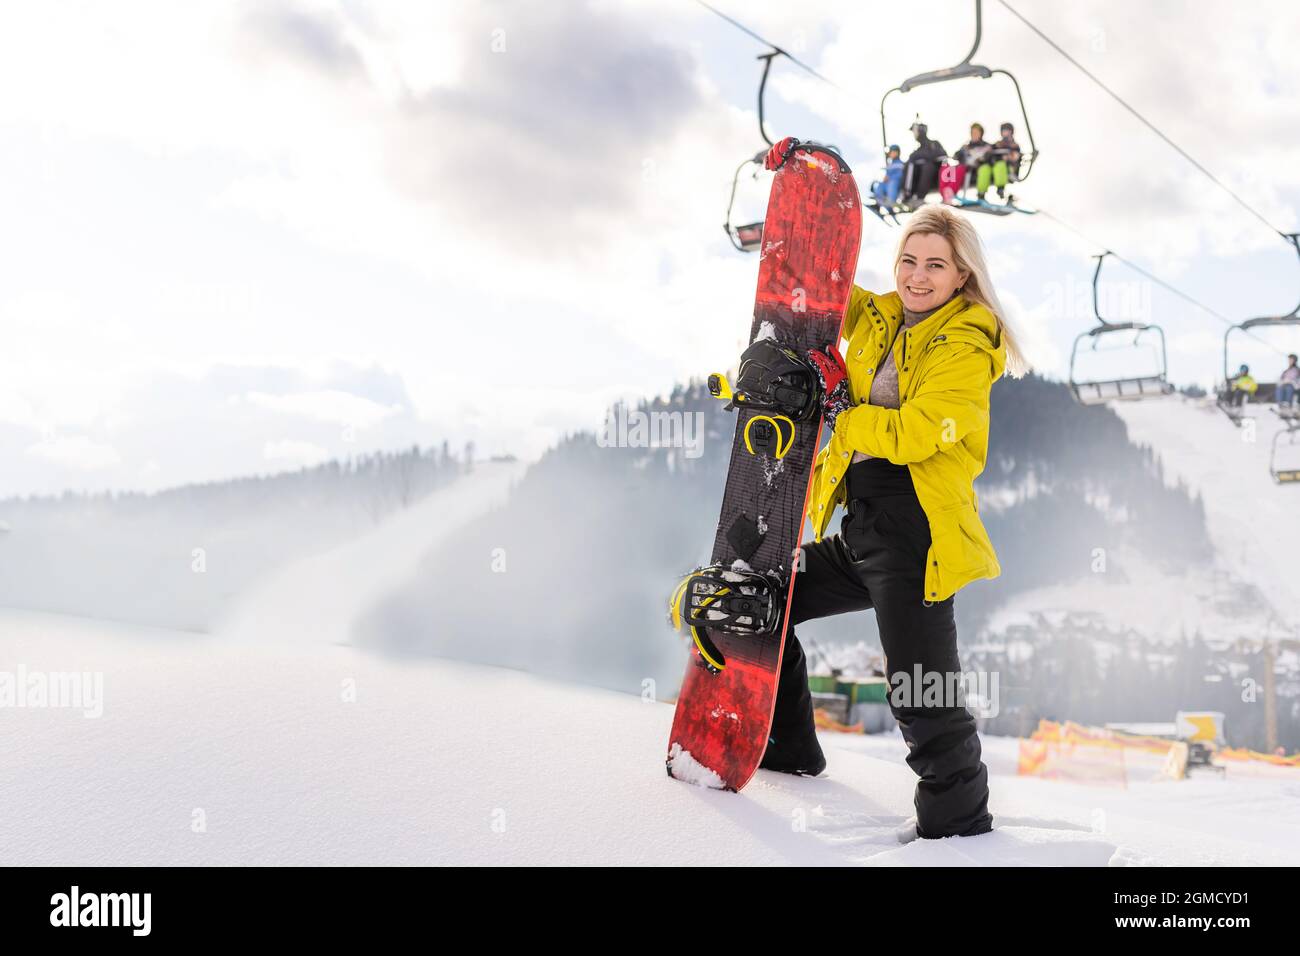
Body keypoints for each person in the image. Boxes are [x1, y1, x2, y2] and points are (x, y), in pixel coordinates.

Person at [758, 158, 1033, 840]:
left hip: (916, 535)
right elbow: (824, 291)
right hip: (864, 528)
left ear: (963, 275)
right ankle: (789, 747)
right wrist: (802, 208)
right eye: (908, 260)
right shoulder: (884, 318)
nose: (916, 275)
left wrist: (843, 419)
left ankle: (961, 829)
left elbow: (916, 433)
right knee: (770, 599)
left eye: (936, 265)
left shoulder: (967, 344)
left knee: (921, 698)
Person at [900, 122, 946, 208]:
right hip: (919, 179)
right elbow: (912, 160)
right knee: (909, 164)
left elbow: (943, 155)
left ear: (921, 131)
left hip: (936, 176)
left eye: (915, 132)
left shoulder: (934, 144)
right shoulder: (916, 151)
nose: (914, 135)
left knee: (927, 166)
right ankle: (907, 194)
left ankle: (917, 197)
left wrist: (926, 156)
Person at [951, 123, 993, 201]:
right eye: (972, 132)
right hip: (965, 167)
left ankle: (981, 194)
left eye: (976, 132)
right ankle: (950, 194)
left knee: (985, 169)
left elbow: (988, 158)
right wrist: (961, 152)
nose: (974, 134)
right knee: (955, 169)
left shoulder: (986, 146)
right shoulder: (966, 146)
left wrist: (980, 157)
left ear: (981, 134)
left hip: (979, 167)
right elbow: (955, 156)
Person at [984, 122, 1022, 200]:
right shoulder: (998, 144)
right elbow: (989, 151)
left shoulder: (1014, 145)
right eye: (1003, 131)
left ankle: (1000, 189)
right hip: (995, 168)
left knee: (1000, 165)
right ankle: (981, 193)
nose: (1005, 133)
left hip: (1009, 168)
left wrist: (1007, 157)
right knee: (986, 168)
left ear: (1011, 132)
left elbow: (1015, 157)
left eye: (1007, 131)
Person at [870, 144, 905, 209]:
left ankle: (891, 201)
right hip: (887, 183)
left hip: (896, 184)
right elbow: (888, 174)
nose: (891, 154)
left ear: (897, 153)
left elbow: (900, 175)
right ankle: (878, 202)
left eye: (893, 152)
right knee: (880, 185)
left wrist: (890, 178)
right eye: (891, 152)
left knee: (892, 183)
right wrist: (886, 178)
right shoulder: (890, 165)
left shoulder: (900, 164)